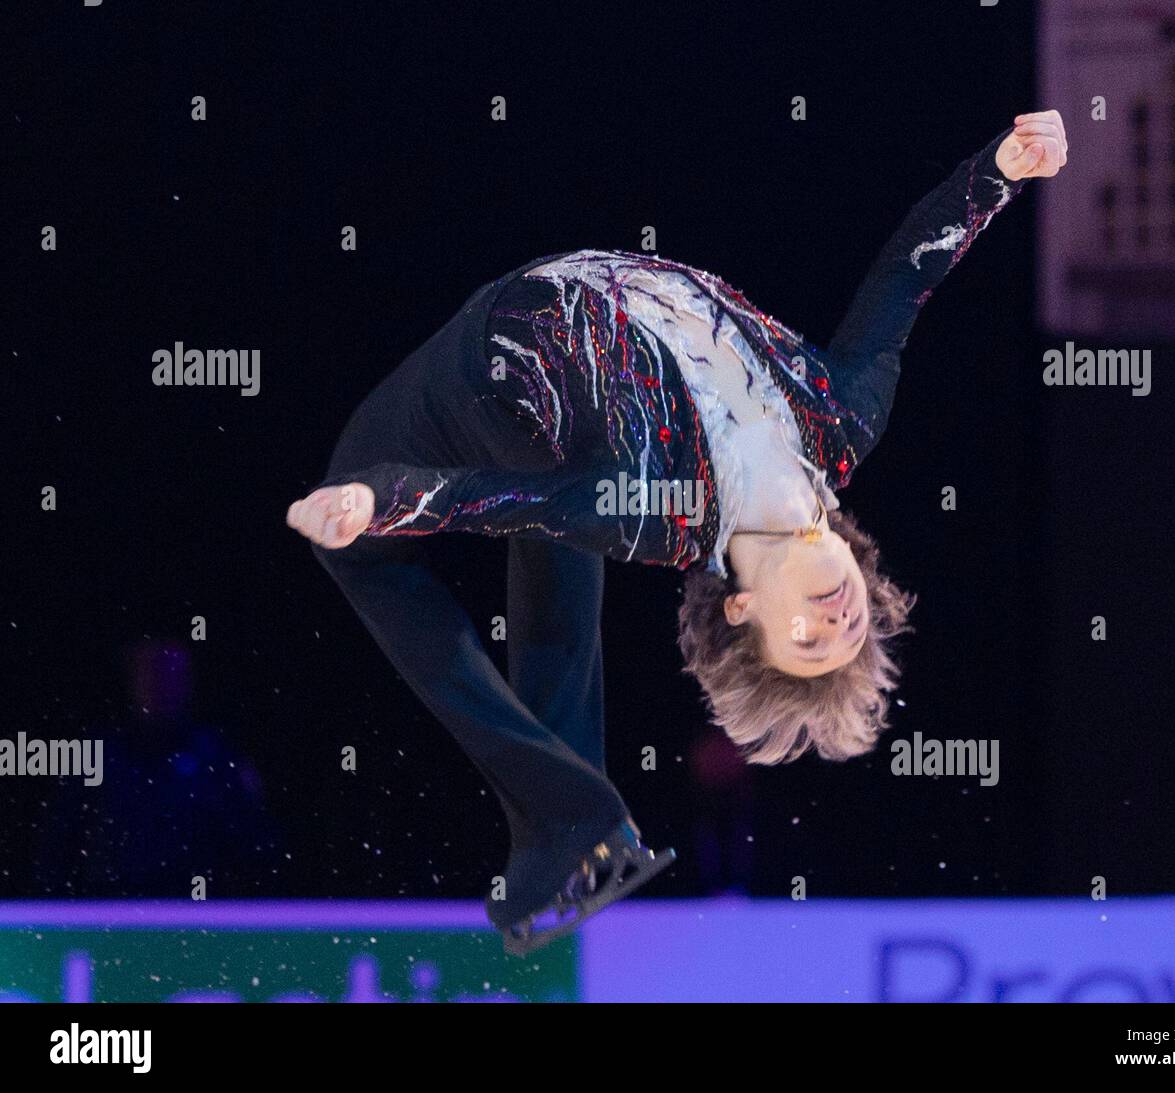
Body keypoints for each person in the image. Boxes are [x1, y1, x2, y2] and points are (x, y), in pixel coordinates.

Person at [287, 112, 1068, 953]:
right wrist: (1000, 170)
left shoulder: (658, 513)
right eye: (852, 629)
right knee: (564, 551)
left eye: (806, 641)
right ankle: (573, 833)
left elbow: (488, 499)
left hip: (481, 379)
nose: (835, 621)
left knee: (378, 557)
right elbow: (905, 279)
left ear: (743, 613)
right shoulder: (840, 423)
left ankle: (570, 822)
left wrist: (373, 499)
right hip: (556, 386)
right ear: (862, 575)